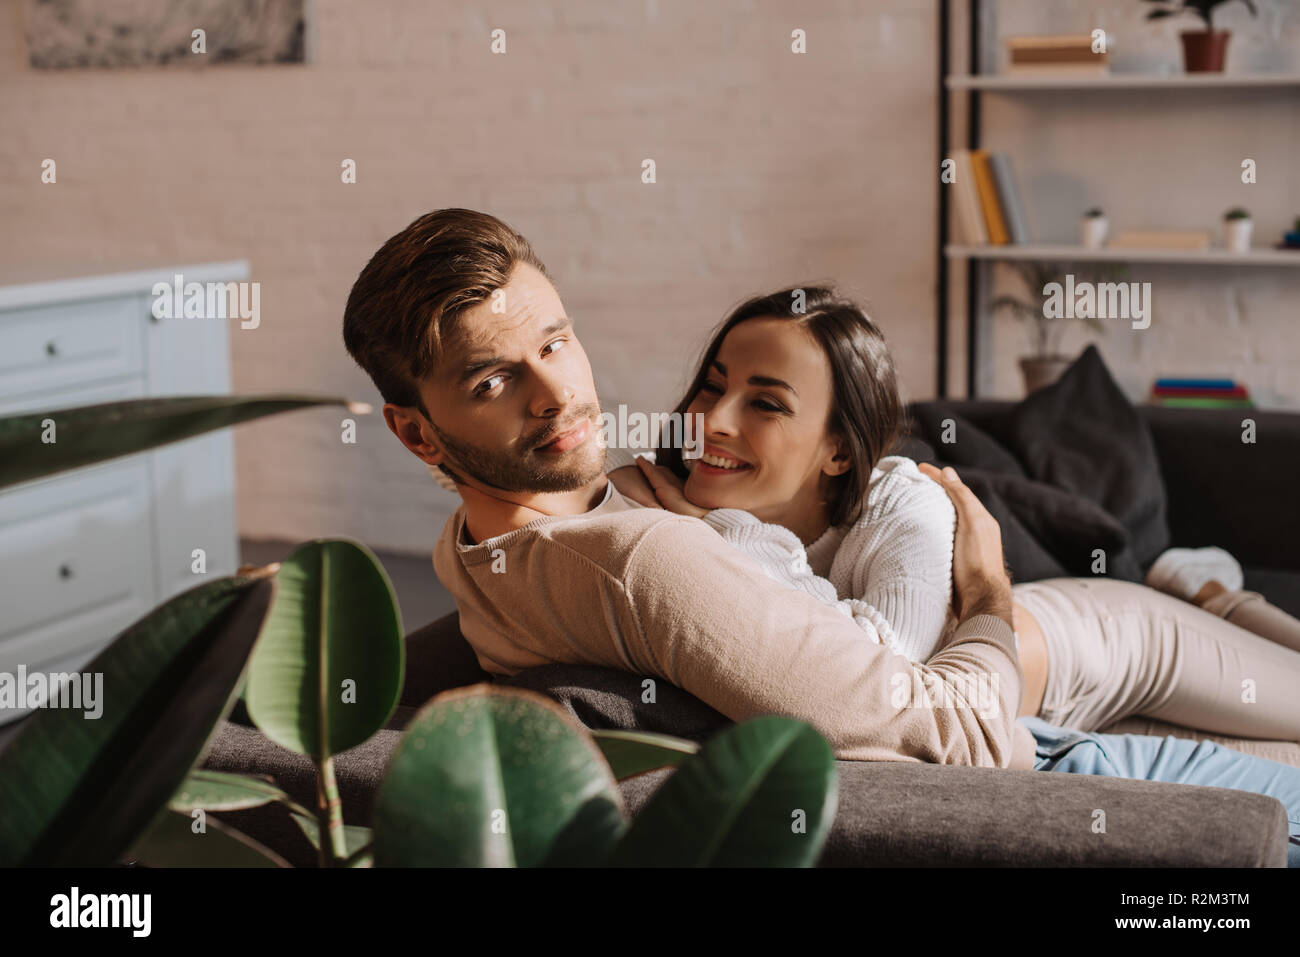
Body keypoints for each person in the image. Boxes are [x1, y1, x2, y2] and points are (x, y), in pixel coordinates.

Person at [341, 208, 1300, 864]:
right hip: (1049, 691)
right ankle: (1203, 588)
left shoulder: (472, 546)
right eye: (492, 380)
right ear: (414, 429)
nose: (557, 394)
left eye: (554, 342)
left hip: (1073, 662)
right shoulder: (642, 562)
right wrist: (991, 592)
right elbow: (949, 735)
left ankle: (1209, 588)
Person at [604, 285, 1300, 752]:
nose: (712, 420)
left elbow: (879, 676)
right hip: (1033, 716)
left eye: (766, 403)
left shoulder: (905, 500)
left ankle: (1206, 587)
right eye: (714, 384)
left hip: (1112, 645)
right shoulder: (653, 491)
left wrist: (724, 533)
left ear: (841, 450)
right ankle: (1210, 592)